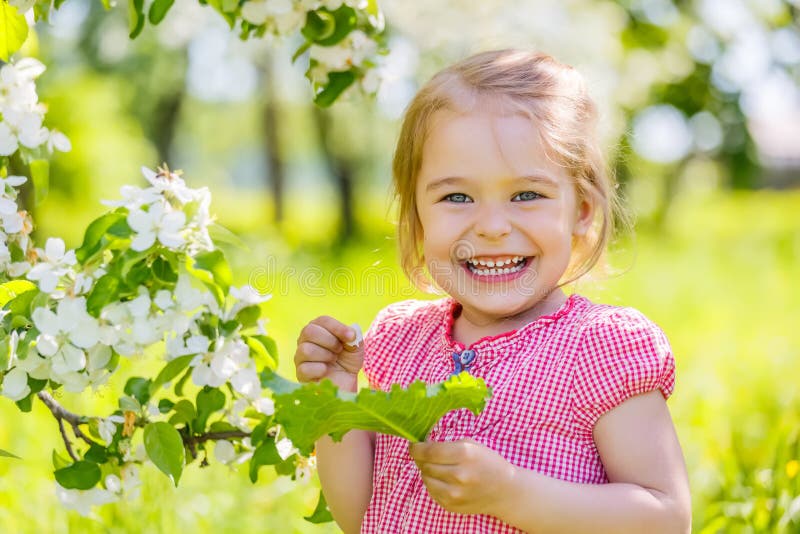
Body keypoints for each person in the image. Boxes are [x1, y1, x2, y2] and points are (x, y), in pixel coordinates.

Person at [294, 49, 691, 533]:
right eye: (456, 197)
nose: (492, 227)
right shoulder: (399, 344)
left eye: (526, 195)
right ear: (417, 218)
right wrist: (337, 393)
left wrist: (510, 493)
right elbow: (361, 516)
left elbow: (666, 519)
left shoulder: (597, 350)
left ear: (581, 210)